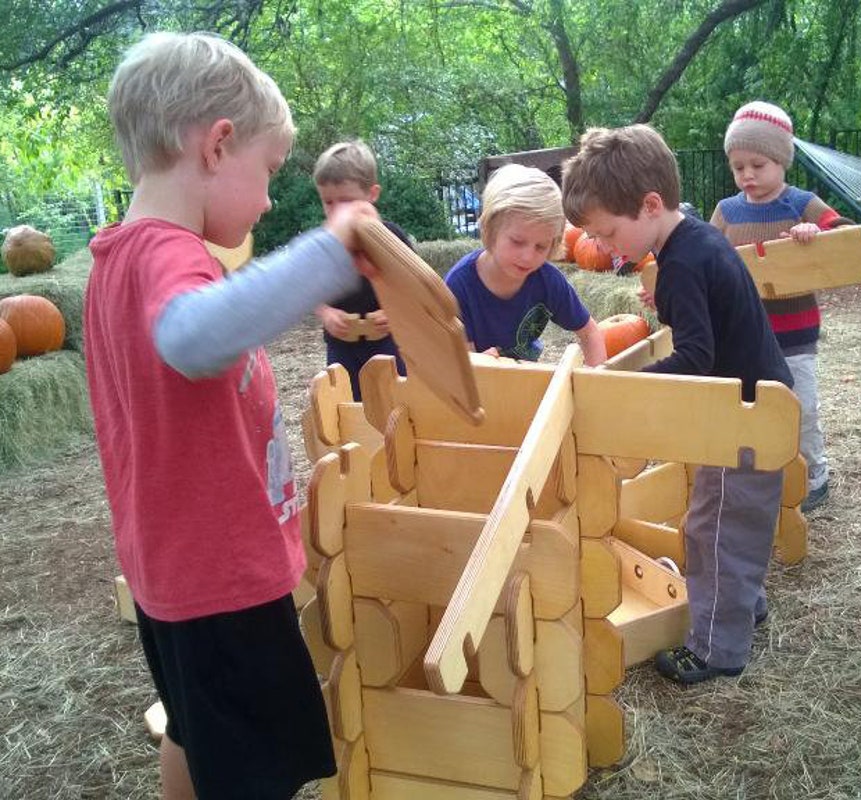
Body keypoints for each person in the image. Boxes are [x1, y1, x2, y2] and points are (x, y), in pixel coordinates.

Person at [85, 32, 380, 799]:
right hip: (223, 587)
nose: (271, 197)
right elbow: (194, 338)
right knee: (254, 774)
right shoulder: (167, 257)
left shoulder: (119, 257)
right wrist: (331, 250)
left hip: (174, 579)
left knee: (194, 730)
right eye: (270, 170)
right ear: (217, 145)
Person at [561, 124, 794, 684]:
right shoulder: (692, 245)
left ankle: (717, 648)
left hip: (743, 419)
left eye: (610, 233)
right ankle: (744, 604)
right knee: (724, 524)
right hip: (741, 412)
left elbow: (693, 356)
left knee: (716, 531)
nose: (608, 248)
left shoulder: (685, 262)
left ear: (649, 204)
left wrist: (633, 388)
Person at [710, 100, 848, 513]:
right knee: (751, 409)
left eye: (759, 164)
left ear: (781, 161)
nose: (748, 174)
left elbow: (846, 236)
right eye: (738, 167)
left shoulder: (801, 204)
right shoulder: (726, 211)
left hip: (794, 335)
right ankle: (761, 476)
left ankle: (813, 477)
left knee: (799, 409)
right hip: (745, 337)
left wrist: (815, 233)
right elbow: (704, 255)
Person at [444, 163, 607, 366]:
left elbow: (590, 333)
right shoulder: (459, 286)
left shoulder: (548, 280)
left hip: (526, 377)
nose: (528, 257)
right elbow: (459, 366)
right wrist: (476, 362)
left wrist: (595, 381)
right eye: (517, 242)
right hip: (483, 386)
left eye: (540, 246)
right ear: (489, 229)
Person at [313, 139, 415, 400]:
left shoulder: (391, 238)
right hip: (341, 343)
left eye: (346, 202)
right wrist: (325, 313)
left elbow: (412, 286)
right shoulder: (323, 242)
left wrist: (395, 311)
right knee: (345, 405)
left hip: (386, 341)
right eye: (328, 202)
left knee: (392, 401)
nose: (337, 212)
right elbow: (309, 290)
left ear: (372, 193)